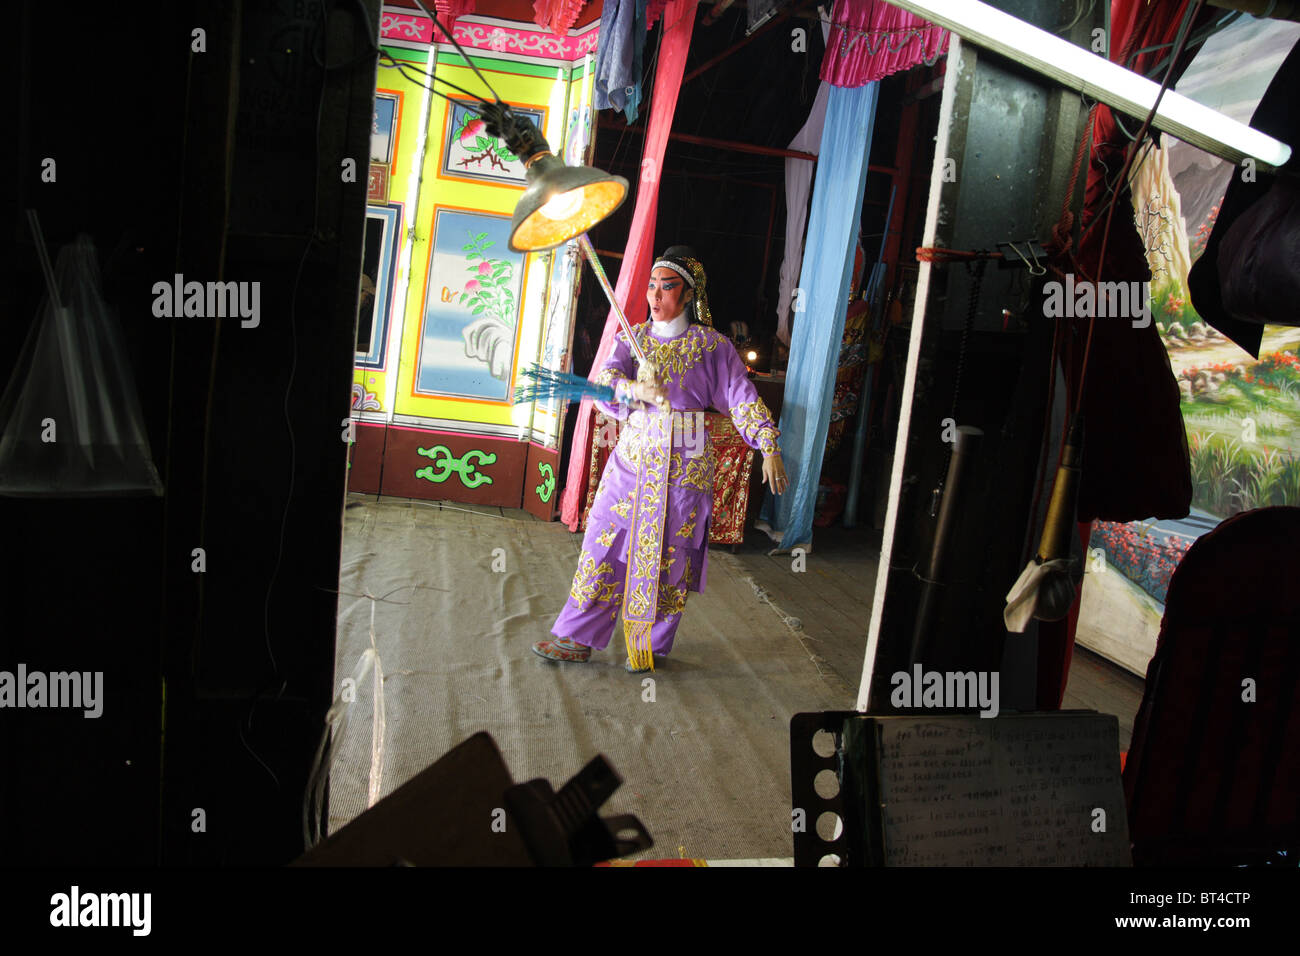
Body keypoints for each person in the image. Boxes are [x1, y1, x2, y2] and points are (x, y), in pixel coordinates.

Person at [532, 246, 789, 672]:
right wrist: (637, 391)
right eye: (651, 285)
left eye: (666, 288)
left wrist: (769, 444)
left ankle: (648, 646)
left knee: (671, 557)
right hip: (633, 458)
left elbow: (742, 399)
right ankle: (576, 636)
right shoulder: (633, 340)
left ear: (688, 295)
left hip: (685, 465)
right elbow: (605, 383)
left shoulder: (713, 347)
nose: (655, 295)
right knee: (604, 542)